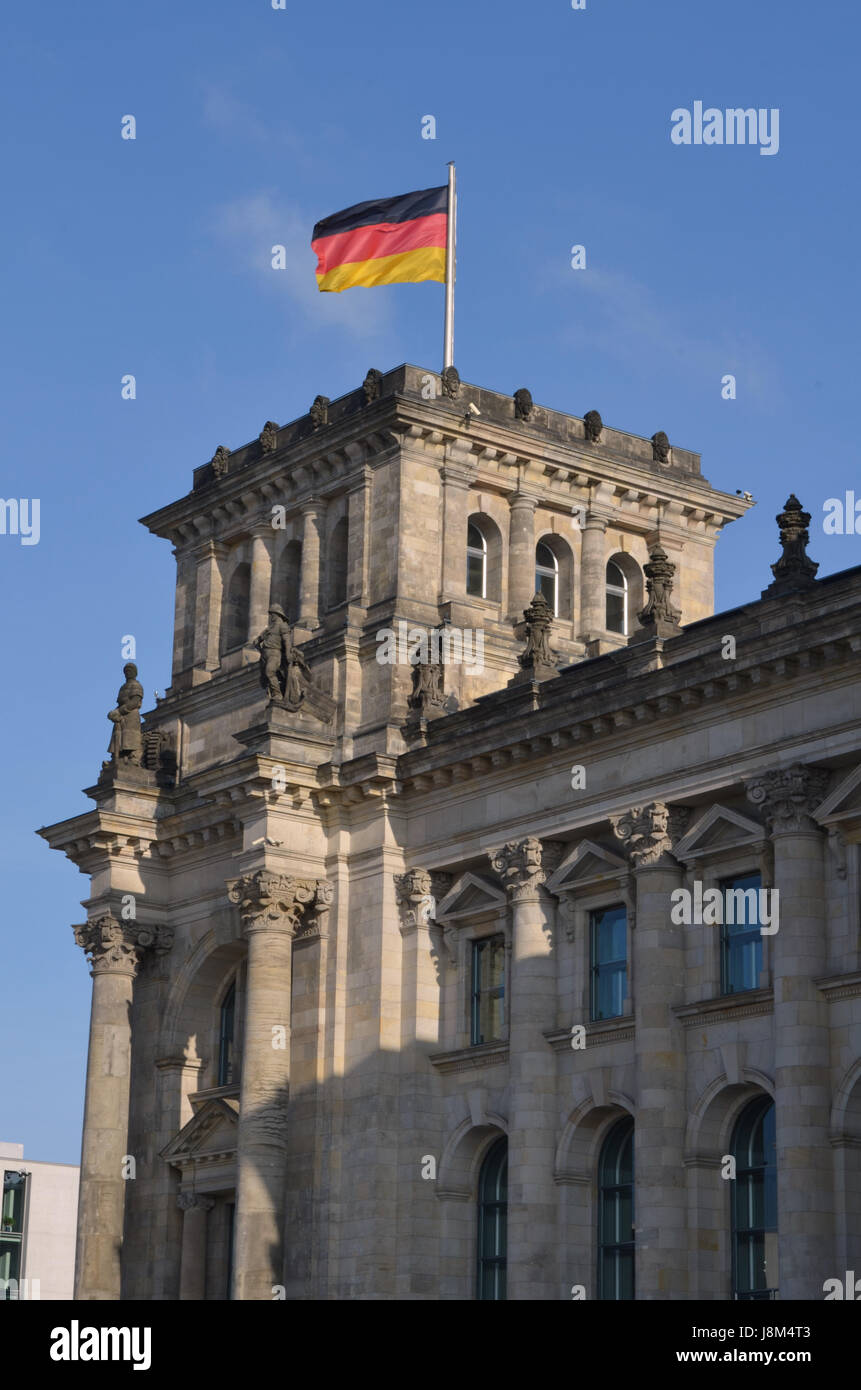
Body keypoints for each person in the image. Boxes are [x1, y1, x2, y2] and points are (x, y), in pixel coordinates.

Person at [107, 663, 144, 764]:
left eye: (130, 671)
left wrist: (119, 711)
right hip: (121, 715)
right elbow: (120, 703)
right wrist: (113, 713)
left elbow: (135, 701)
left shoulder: (137, 686)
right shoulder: (123, 687)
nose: (128, 673)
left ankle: (133, 758)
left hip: (131, 714)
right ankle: (118, 757)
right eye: (126, 671)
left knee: (130, 738)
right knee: (119, 738)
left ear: (135, 673)